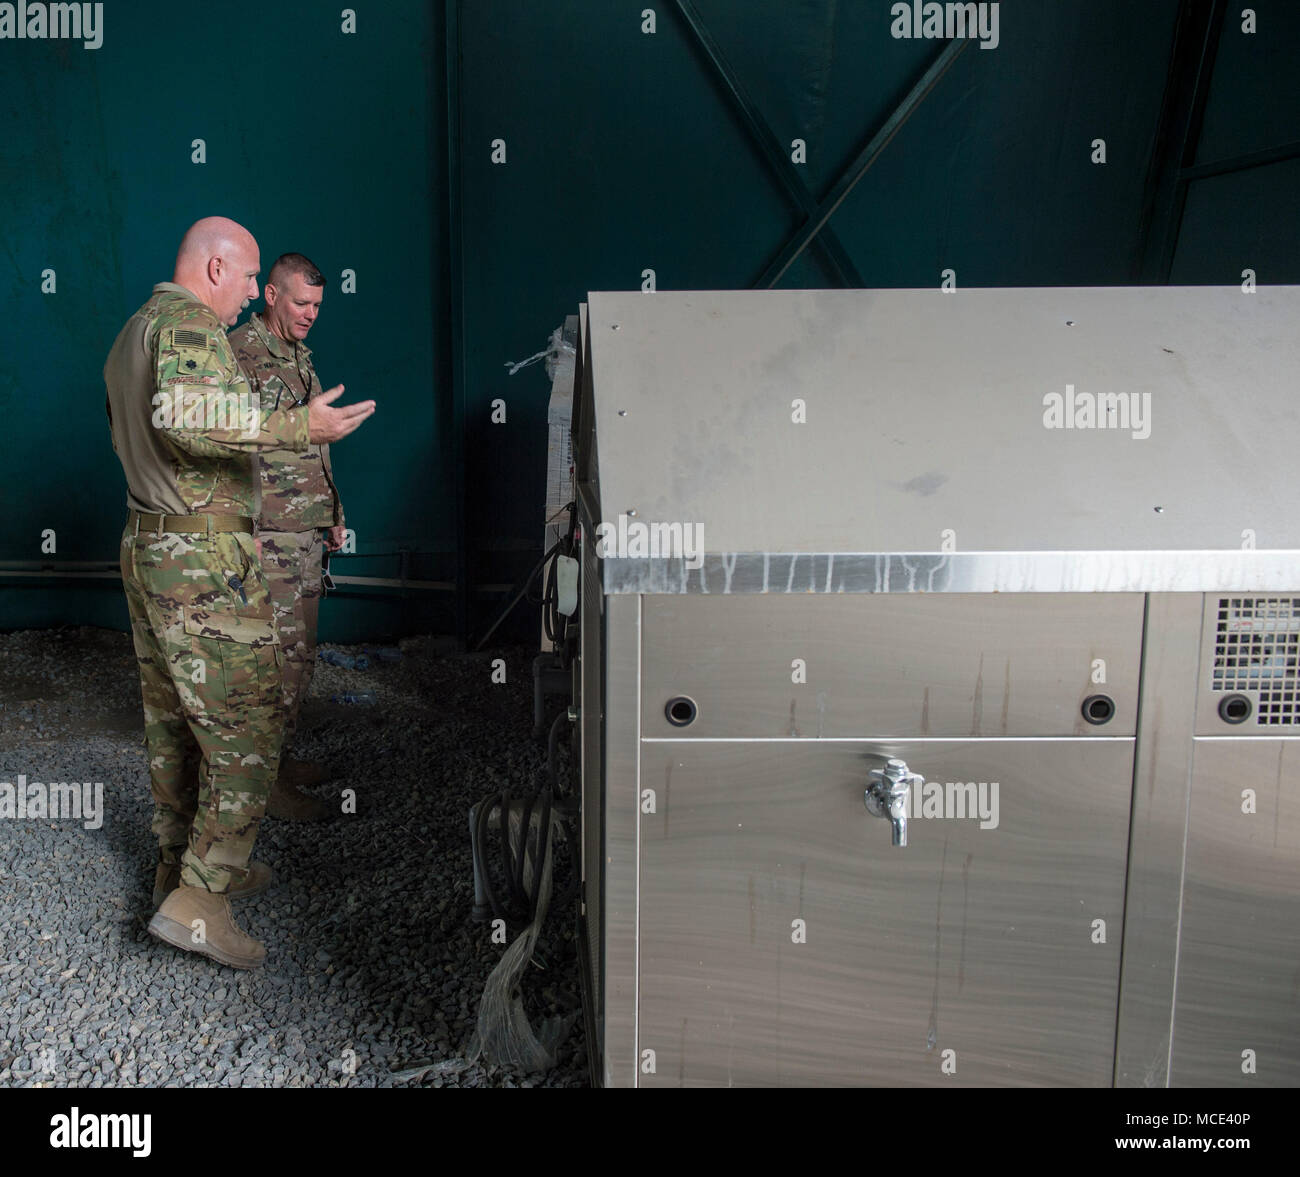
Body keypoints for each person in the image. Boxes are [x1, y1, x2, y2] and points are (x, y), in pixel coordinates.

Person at [104, 217, 376, 968]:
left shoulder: (136, 329)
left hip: (150, 541)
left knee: (175, 722)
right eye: (251, 277)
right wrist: (301, 426)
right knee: (251, 723)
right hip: (199, 556)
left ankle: (175, 869)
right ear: (215, 267)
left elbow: (138, 428)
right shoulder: (188, 325)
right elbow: (192, 420)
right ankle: (203, 893)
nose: (255, 293)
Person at [229, 254, 346, 821]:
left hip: (302, 530)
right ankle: (260, 787)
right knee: (270, 663)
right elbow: (223, 443)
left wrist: (332, 512)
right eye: (301, 303)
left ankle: (279, 761)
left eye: (318, 306)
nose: (310, 315)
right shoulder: (239, 354)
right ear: (270, 295)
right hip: (265, 535)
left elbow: (311, 444)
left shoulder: (298, 357)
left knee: (300, 657)